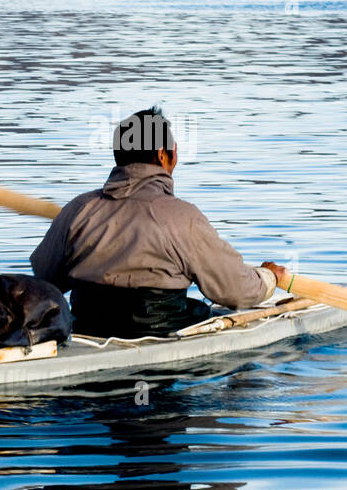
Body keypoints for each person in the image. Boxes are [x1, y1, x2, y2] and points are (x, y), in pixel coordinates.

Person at [30, 107, 288, 338]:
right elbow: (235, 290)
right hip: (161, 332)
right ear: (162, 156)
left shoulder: (78, 209)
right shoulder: (182, 216)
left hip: (86, 329)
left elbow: (44, 277)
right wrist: (268, 278)